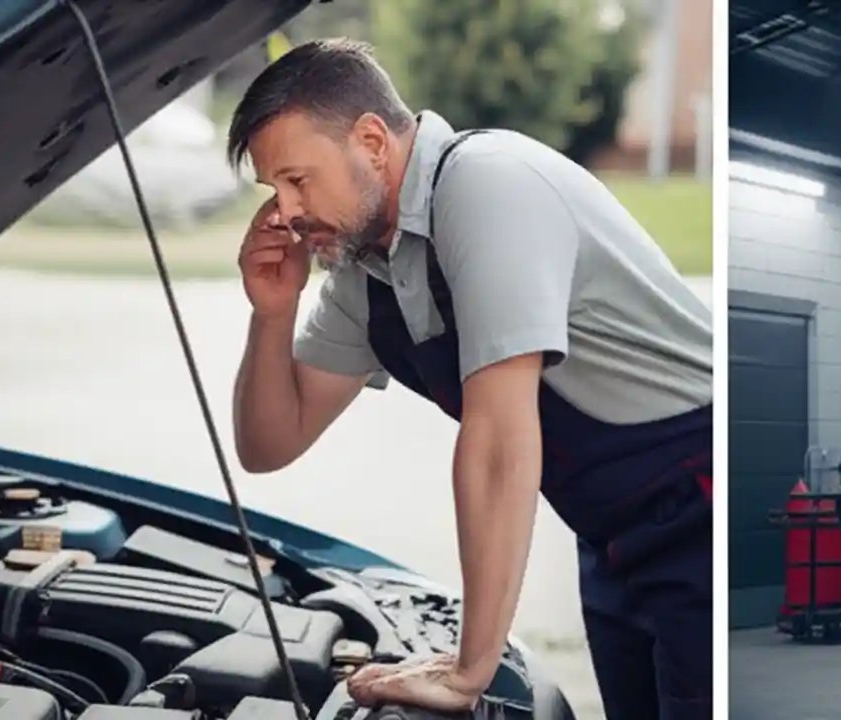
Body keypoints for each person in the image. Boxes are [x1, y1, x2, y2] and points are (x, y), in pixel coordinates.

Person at [226, 38, 713, 719]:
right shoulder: (365, 271)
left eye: (297, 180)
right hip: (613, 543)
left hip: (700, 516)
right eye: (272, 190)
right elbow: (268, 444)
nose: (284, 211)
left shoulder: (488, 186)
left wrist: (467, 671)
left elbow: (500, 442)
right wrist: (272, 314)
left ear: (372, 142)